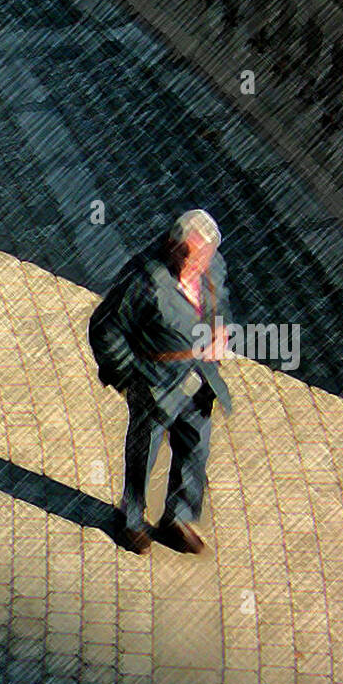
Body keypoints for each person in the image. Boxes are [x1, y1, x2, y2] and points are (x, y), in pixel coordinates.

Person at [89, 209, 234, 556]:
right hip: (153, 384)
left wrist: (221, 331)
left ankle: (178, 519)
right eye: (188, 255)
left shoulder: (213, 266)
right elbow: (104, 329)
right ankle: (131, 520)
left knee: (195, 448)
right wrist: (130, 379)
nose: (195, 265)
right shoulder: (144, 279)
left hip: (198, 380)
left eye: (202, 258)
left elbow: (221, 304)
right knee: (144, 454)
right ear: (172, 244)